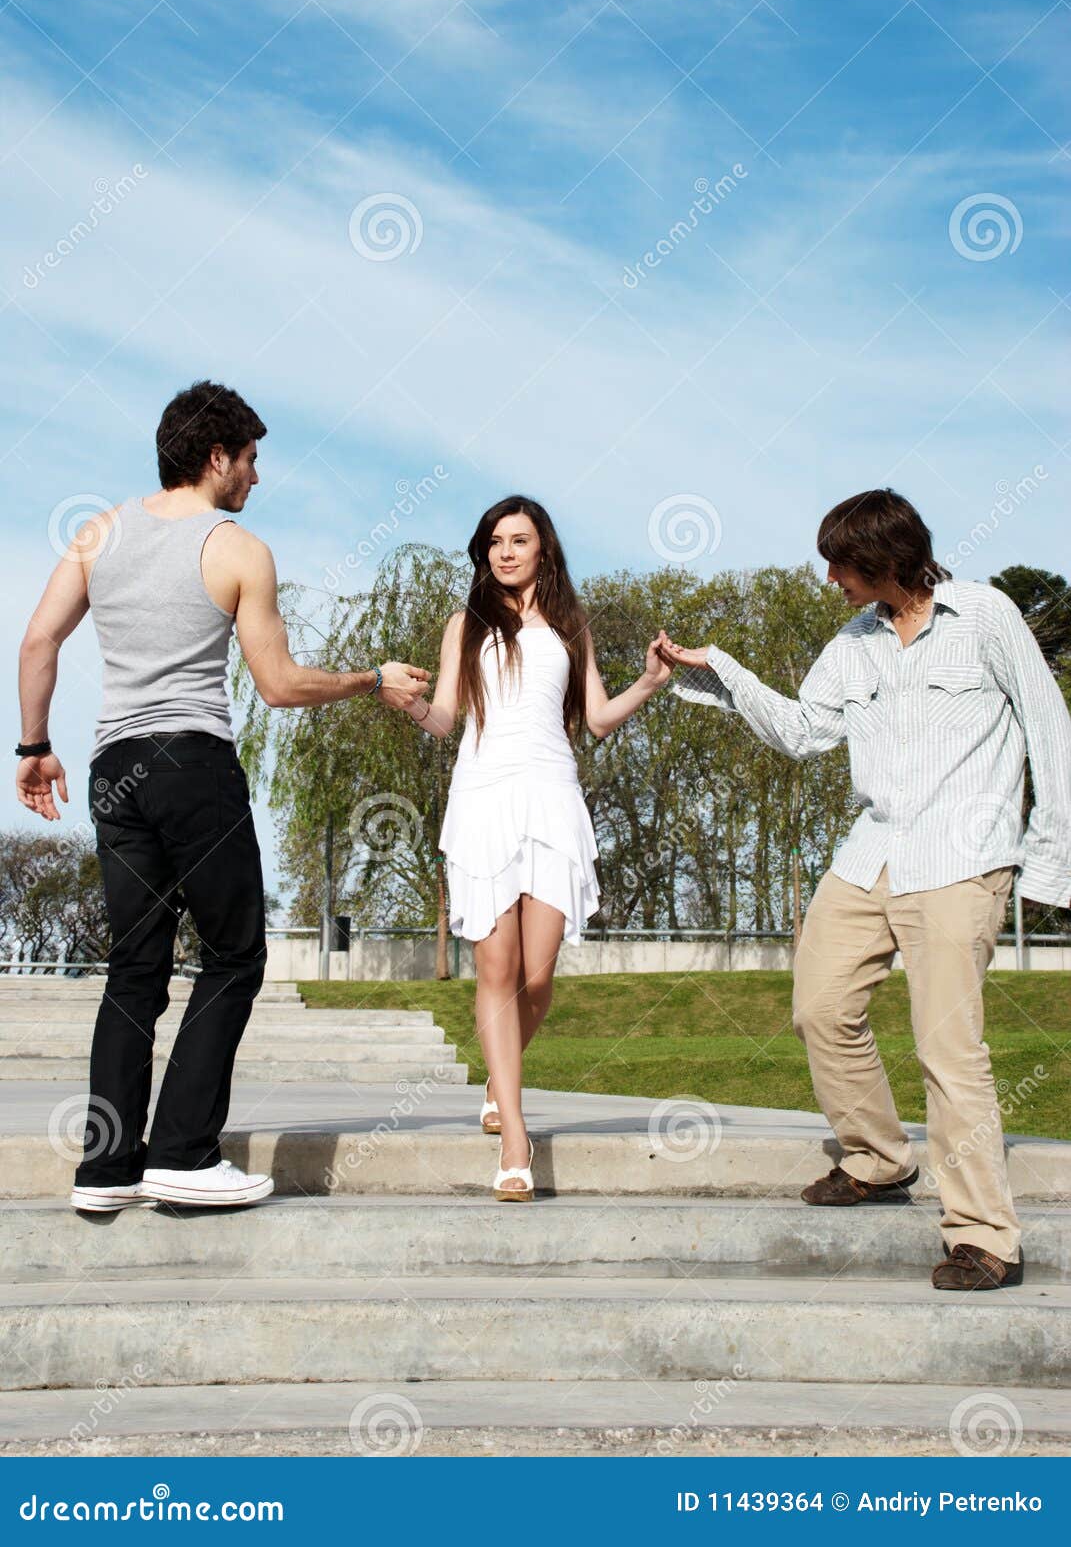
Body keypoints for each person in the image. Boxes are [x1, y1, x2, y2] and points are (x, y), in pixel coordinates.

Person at [16, 380, 428, 1213]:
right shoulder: (236, 547)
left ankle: (105, 1171)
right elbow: (277, 686)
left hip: (112, 768)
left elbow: (37, 640)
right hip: (192, 769)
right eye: (250, 460)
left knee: (133, 971)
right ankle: (182, 1154)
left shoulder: (99, 531)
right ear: (216, 459)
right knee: (234, 956)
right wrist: (371, 678)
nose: (256, 477)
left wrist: (33, 747)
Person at [659, 487, 1071, 1290]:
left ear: (882, 557)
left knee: (948, 1049)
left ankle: (985, 1236)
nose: (828, 580)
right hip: (869, 857)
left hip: (960, 858)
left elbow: (1049, 730)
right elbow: (805, 731)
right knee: (818, 1006)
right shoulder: (853, 641)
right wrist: (721, 671)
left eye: (837, 563)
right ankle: (879, 1159)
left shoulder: (984, 616)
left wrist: (1048, 861)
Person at [401, 495, 674, 1199]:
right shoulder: (466, 623)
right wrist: (398, 699)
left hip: (552, 801)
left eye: (518, 540)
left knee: (538, 976)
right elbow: (445, 719)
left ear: (542, 548)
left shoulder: (570, 624)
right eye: (494, 540)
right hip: (484, 800)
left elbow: (597, 718)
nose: (505, 551)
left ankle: (501, 1075)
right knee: (495, 969)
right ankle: (515, 1138)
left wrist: (646, 680)